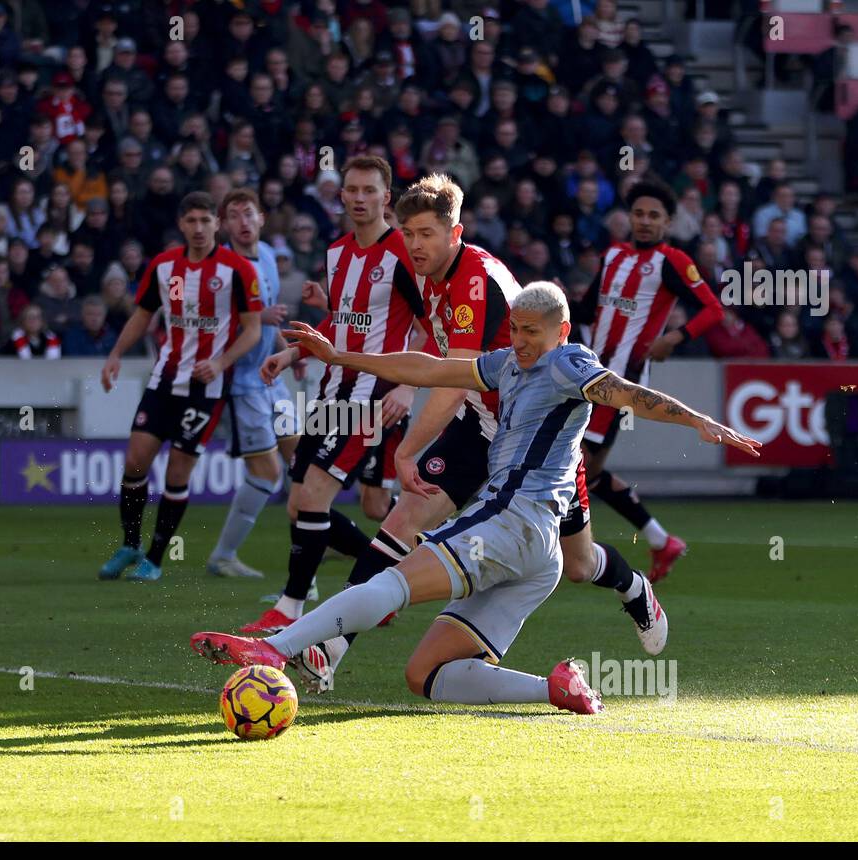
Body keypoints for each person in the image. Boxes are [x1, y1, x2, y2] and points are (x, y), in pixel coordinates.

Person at [191, 283, 761, 711]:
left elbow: (628, 393)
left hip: (510, 520)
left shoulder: (569, 361)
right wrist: (341, 356)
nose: (520, 341)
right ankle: (556, 689)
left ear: (561, 331)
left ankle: (279, 649)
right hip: (539, 555)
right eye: (514, 328)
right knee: (426, 675)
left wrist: (696, 420)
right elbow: (433, 368)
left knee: (392, 581)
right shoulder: (509, 363)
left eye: (532, 331)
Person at [247, 156, 426, 630]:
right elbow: (341, 323)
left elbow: (434, 326)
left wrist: (408, 386)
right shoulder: (337, 252)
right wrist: (293, 353)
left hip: (374, 395)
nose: (360, 198)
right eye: (352, 190)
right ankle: (378, 589)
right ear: (341, 195)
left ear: (387, 197)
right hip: (331, 392)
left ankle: (289, 610)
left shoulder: (404, 253)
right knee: (300, 502)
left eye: (370, 190)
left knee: (315, 497)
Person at [96, 191, 263, 582]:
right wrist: (116, 353)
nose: (200, 228)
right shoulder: (164, 266)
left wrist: (221, 361)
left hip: (206, 388)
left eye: (206, 220)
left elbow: (253, 329)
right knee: (136, 460)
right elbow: (143, 315)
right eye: (192, 221)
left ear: (217, 224)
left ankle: (154, 558)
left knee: (177, 472)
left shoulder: (237, 270)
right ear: (181, 224)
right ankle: (130, 544)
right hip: (164, 379)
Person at [573, 180, 725, 581]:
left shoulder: (671, 261)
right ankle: (661, 541)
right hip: (588, 375)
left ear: (668, 222)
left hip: (622, 383)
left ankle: (567, 554)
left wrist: (674, 338)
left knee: (574, 466)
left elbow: (713, 310)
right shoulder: (612, 256)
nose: (644, 221)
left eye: (654, 215)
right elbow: (587, 311)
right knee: (589, 471)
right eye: (638, 213)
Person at [204, 188, 303, 580]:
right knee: (266, 473)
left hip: (269, 378)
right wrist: (261, 318)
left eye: (249, 214)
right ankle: (223, 555)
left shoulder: (266, 256)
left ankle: (317, 535)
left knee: (302, 461)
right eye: (234, 216)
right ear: (224, 225)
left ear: (261, 218)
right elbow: (215, 321)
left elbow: (271, 320)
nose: (243, 223)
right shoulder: (221, 267)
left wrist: (286, 353)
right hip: (242, 384)